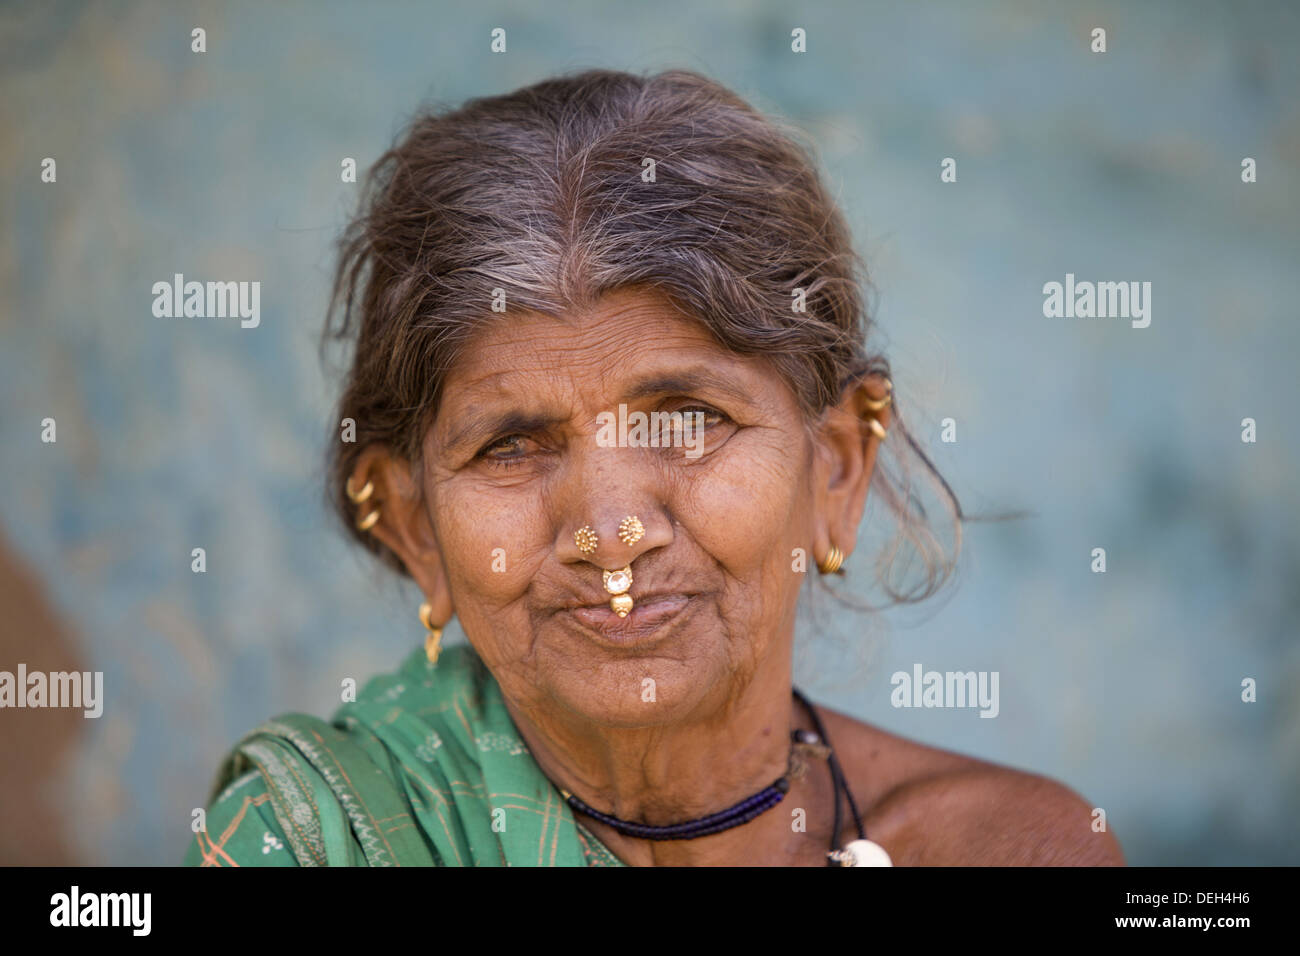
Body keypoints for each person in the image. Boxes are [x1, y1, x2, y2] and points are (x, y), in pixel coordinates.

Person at [184, 68, 1124, 867]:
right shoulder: (306, 840)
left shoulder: (1015, 849)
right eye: (509, 445)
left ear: (835, 473)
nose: (609, 528)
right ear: (416, 528)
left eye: (687, 421)